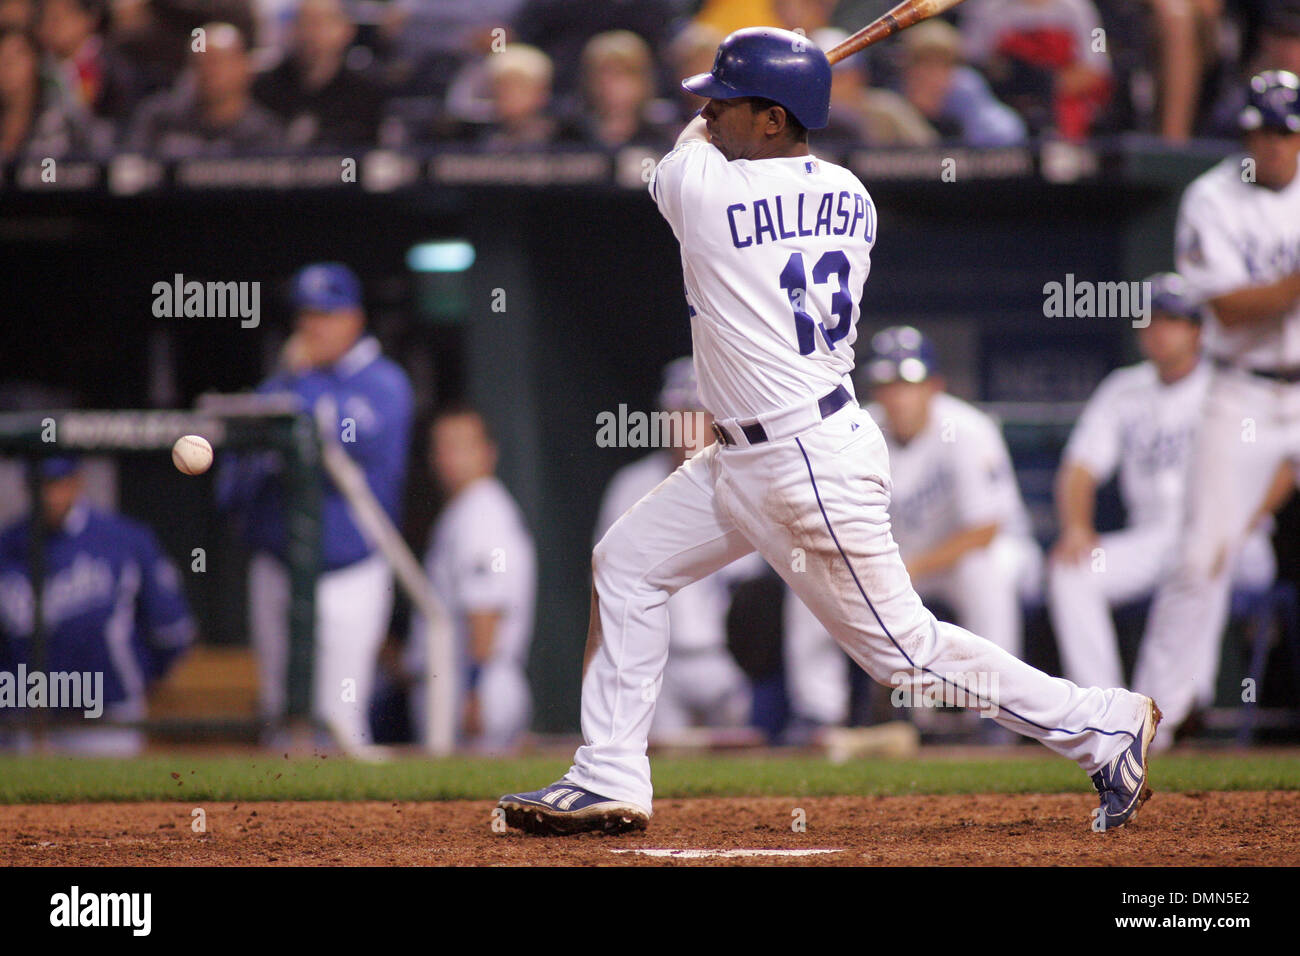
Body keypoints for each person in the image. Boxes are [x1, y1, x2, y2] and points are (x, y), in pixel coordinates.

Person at [498, 26, 1160, 837]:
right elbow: (728, 143)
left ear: (774, 119)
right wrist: (767, 93)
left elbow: (682, 145)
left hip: (800, 461)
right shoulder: (855, 194)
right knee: (628, 565)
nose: (710, 111)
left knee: (906, 655)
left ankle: (1102, 721)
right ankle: (609, 774)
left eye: (728, 101)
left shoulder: (704, 192)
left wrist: (752, 98)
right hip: (752, 456)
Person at [1132, 70, 1300, 750]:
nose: (1270, 144)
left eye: (1283, 132)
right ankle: (1150, 724)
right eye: (1258, 131)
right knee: (1201, 555)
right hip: (1243, 387)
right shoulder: (1210, 197)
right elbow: (1229, 305)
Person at [1049, 274, 1279, 692]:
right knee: (1072, 574)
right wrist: (1077, 527)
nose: (1158, 330)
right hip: (1154, 539)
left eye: (1171, 320)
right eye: (1149, 320)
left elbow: (1282, 464)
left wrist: (1245, 520)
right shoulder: (1123, 389)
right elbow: (1079, 468)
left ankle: (1185, 702)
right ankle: (1105, 709)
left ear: (1198, 330)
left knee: (1200, 561)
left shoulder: (1232, 386)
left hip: (1237, 541)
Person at [216, 262, 413, 751]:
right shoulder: (285, 382)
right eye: (306, 314)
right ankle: (282, 828)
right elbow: (242, 449)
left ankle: (345, 829)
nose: (312, 326)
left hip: (350, 571)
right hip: (277, 567)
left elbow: (341, 431)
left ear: (354, 319)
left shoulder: (383, 382)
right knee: (280, 714)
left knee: (338, 718)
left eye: (326, 313)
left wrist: (296, 382)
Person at [592, 358, 757, 744]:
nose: (685, 424)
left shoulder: (747, 479)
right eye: (676, 412)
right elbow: (605, 577)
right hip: (657, 664)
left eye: (696, 413)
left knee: (740, 773)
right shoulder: (632, 483)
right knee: (662, 771)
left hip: (727, 661)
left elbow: (756, 595)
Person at [0, 457, 194, 755]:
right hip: (24, 717)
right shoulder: (7, 546)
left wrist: (139, 682)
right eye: (39, 485)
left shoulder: (123, 539)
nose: (48, 496)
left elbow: (171, 630)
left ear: (77, 482)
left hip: (107, 713)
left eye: (56, 484)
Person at [407, 406, 536, 753]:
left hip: (474, 680)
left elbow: (485, 606)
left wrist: (475, 692)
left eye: (462, 445)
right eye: (443, 446)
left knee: (468, 803)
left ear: (488, 453)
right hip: (470, 679)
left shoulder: (481, 513)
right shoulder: (467, 509)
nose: (450, 456)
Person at [126, 21, 282, 158]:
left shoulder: (263, 133)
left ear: (244, 67)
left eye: (216, 61)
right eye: (199, 62)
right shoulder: (159, 119)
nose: (207, 71)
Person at [252, 0, 383, 149]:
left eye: (321, 23)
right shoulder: (265, 87)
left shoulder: (366, 92)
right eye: (304, 23)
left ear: (346, 30)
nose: (311, 33)